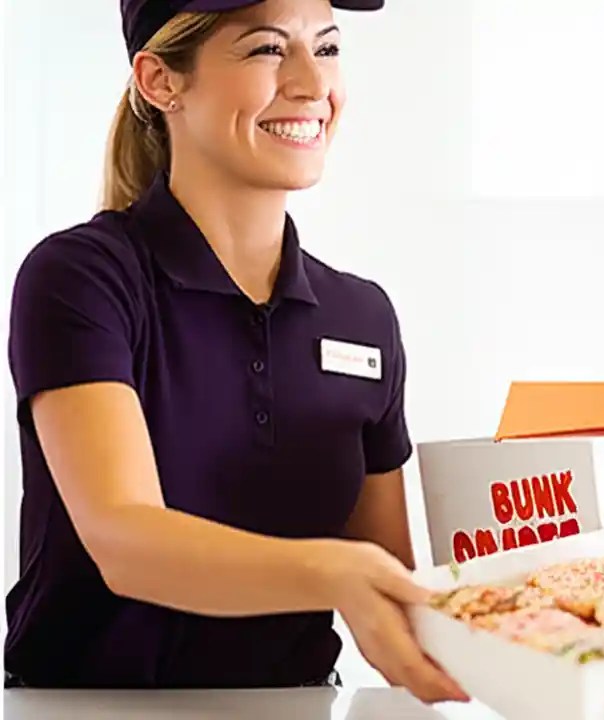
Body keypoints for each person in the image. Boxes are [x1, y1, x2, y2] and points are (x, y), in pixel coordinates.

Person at [4, 0, 463, 703]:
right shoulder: (82, 279)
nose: (313, 84)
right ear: (161, 82)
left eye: (329, 47)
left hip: (300, 705)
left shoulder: (363, 316)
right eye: (267, 50)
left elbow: (395, 581)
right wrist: (333, 573)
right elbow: (126, 542)